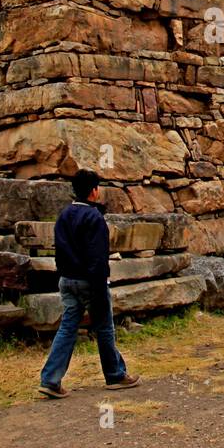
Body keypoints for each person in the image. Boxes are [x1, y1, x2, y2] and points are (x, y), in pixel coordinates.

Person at [38, 169, 140, 398]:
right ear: (94, 191)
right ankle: (114, 374)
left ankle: (50, 379)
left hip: (67, 279)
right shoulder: (94, 218)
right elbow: (97, 258)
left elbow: (60, 250)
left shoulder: (64, 215)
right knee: (104, 327)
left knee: (67, 328)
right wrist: (99, 289)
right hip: (89, 281)